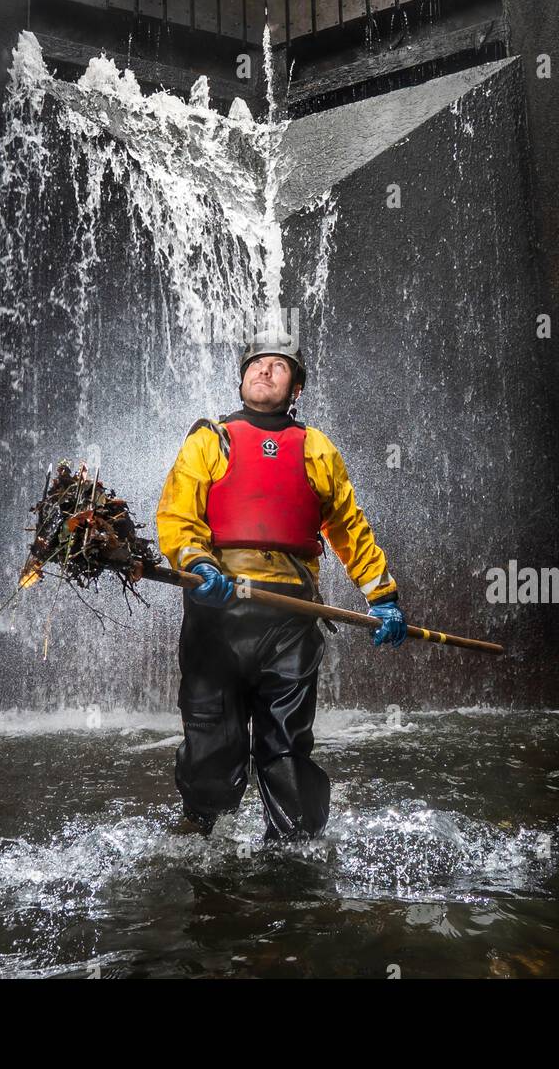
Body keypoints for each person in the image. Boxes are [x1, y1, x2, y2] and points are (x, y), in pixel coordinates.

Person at [156, 329, 407, 843]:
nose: (264, 370)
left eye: (279, 365)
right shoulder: (209, 439)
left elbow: (350, 529)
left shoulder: (316, 449)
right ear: (242, 378)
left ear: (296, 389)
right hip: (216, 616)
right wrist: (197, 563)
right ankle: (198, 832)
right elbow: (178, 516)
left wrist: (383, 597)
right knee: (210, 742)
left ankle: (295, 850)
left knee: (287, 747)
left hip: (291, 620)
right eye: (256, 363)